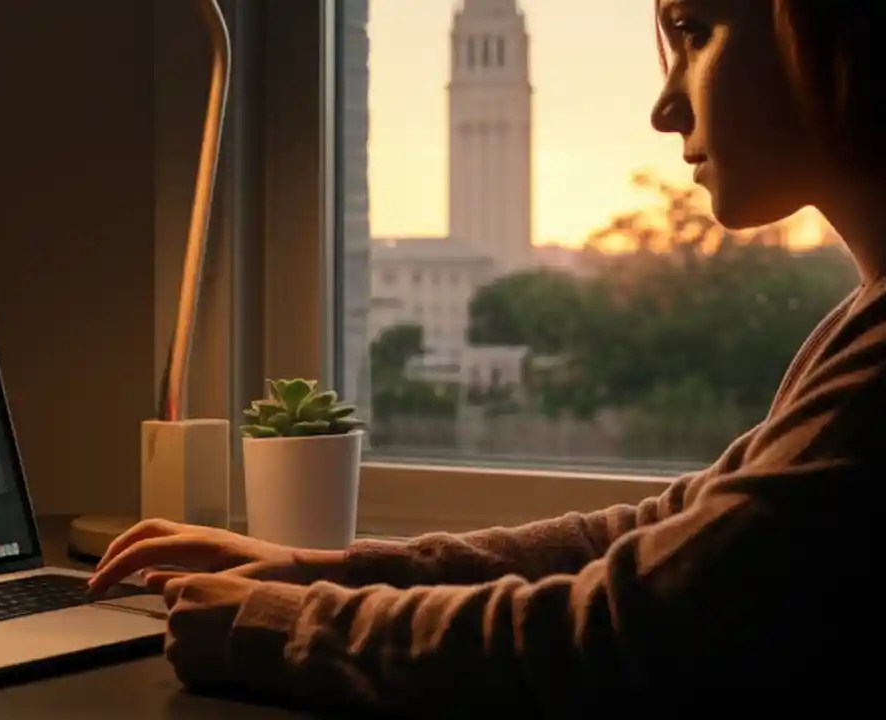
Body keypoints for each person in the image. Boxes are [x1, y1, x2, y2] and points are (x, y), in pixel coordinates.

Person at [90, 0, 883, 714]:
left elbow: (617, 634)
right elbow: (661, 536)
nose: (663, 106)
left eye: (693, 32)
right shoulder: (855, 328)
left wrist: (281, 623)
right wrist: (319, 568)